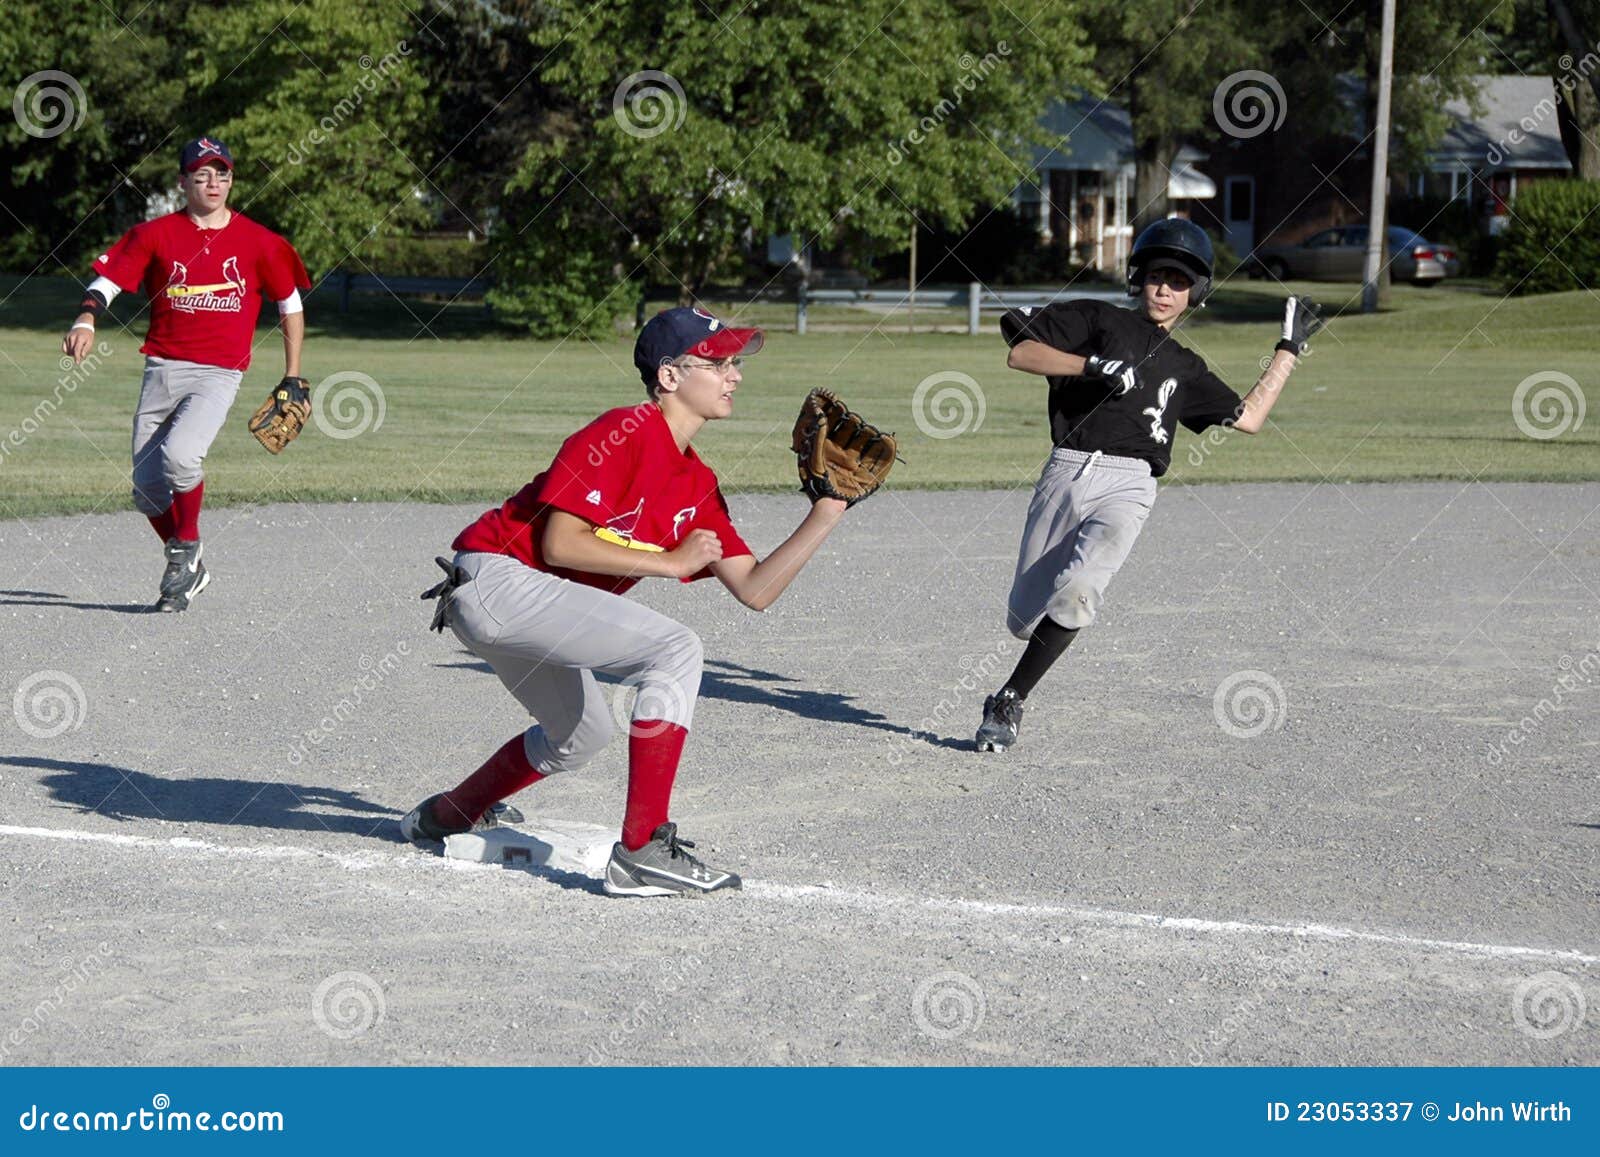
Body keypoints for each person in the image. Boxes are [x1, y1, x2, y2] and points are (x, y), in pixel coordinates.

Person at [402, 307, 852, 897]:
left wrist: (828, 511)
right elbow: (560, 545)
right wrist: (670, 562)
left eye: (735, 362)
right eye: (718, 362)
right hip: (495, 579)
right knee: (676, 649)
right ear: (669, 375)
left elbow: (756, 588)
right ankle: (642, 849)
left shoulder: (699, 485)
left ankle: (451, 813)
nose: (734, 374)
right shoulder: (623, 431)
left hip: (535, 603)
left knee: (581, 735)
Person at [973, 218, 1323, 752]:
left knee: (1081, 591)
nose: (1166, 289)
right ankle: (1026, 646)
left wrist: (1287, 350)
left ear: (1195, 293)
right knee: (1023, 617)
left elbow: (1248, 418)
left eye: (1180, 281)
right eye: (1158, 275)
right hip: (1067, 469)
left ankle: (1010, 699)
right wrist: (1091, 365)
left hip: (1132, 483)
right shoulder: (1097, 318)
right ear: (1139, 278)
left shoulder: (1186, 365)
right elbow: (1020, 352)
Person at [61, 137, 311, 612]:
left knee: (180, 457)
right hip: (161, 367)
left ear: (232, 180)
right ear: (183, 182)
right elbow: (107, 280)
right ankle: (188, 564)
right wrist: (86, 318)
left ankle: (187, 547)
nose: (214, 182)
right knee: (147, 489)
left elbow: (289, 304)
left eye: (222, 174)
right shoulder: (155, 234)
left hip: (219, 373)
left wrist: (293, 374)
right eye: (202, 174)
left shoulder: (260, 241)